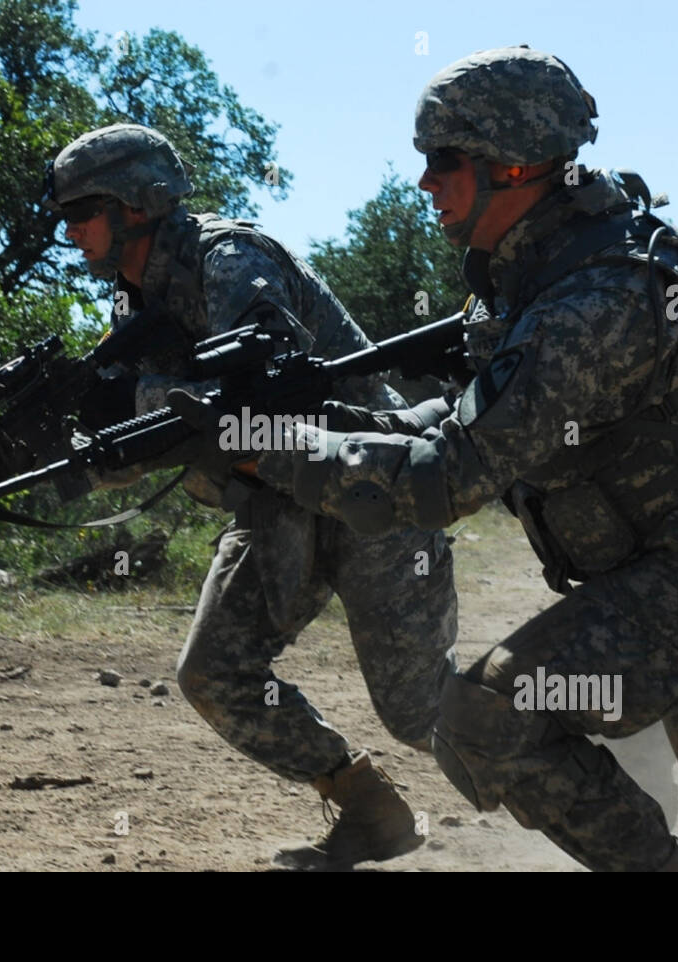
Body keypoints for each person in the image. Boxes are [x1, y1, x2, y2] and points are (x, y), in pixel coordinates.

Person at [176, 47, 678, 871]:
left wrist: (269, 448)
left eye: (444, 162)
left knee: (490, 715)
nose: (425, 183)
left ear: (515, 163)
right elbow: (456, 421)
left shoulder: (594, 301)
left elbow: (443, 477)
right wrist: (324, 427)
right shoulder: (540, 272)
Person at [39, 124, 458, 870]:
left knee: (421, 708)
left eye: (83, 211)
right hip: (273, 502)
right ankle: (370, 810)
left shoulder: (230, 260)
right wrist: (74, 456)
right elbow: (158, 441)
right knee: (214, 674)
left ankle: (598, 749)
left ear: (137, 204)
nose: (71, 231)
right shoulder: (132, 311)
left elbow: (266, 402)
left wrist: (141, 400)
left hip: (363, 487)